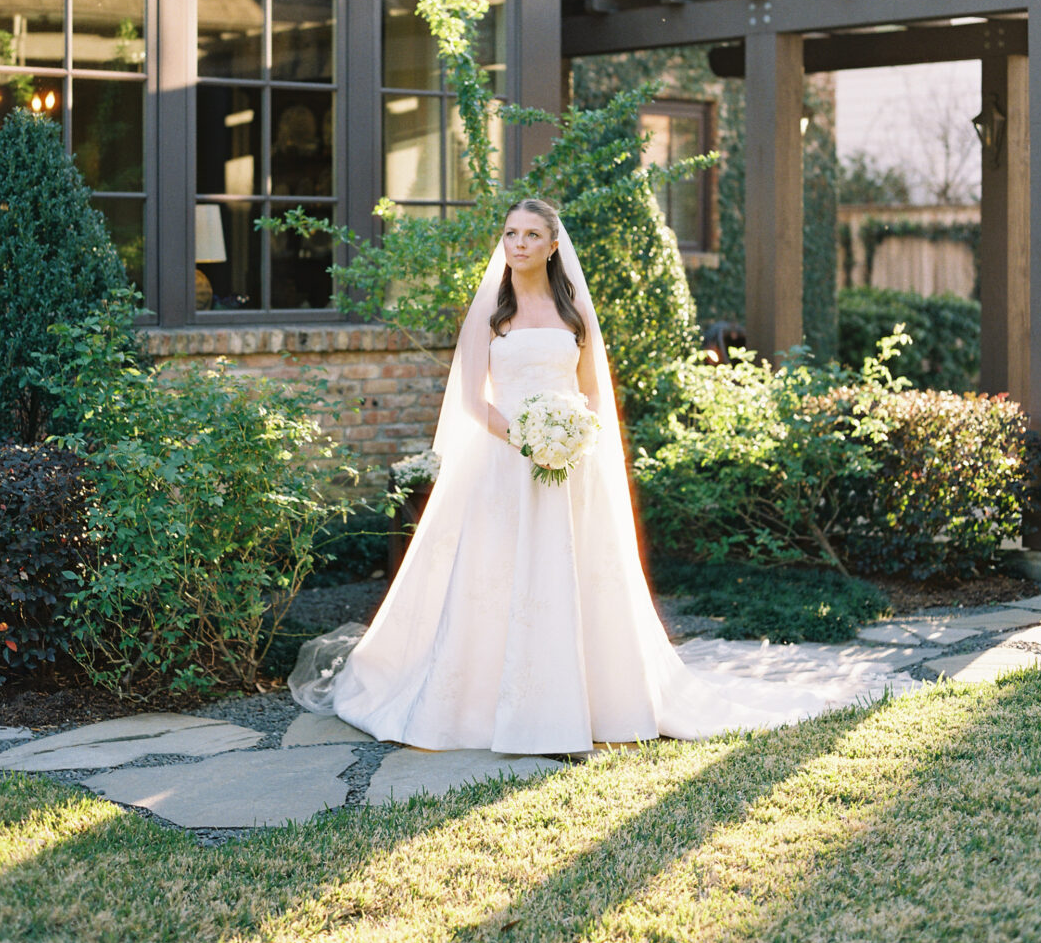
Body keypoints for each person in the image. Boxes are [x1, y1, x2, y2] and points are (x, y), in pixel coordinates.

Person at [289, 199, 859, 752]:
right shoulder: (491, 314)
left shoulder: (573, 314)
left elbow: (590, 392)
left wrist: (568, 438)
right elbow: (470, 402)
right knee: (494, 580)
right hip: (502, 469)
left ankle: (588, 701)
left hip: (568, 469)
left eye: (532, 235)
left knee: (574, 574)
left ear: (553, 245)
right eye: (511, 234)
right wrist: (527, 440)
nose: (519, 244)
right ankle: (481, 702)